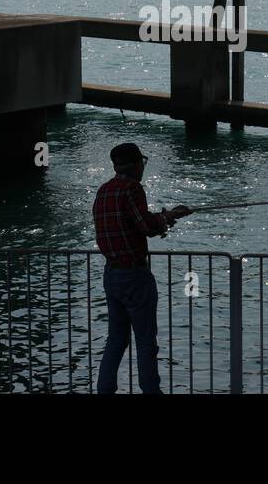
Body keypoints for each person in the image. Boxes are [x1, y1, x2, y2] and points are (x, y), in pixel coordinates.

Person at [93, 142, 192, 394]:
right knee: (146, 341)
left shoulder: (103, 191)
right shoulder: (132, 189)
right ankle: (151, 391)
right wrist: (168, 217)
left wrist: (163, 218)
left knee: (116, 340)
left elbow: (130, 224)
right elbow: (145, 226)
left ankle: (104, 390)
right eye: (142, 163)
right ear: (137, 164)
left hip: (111, 274)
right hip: (134, 275)